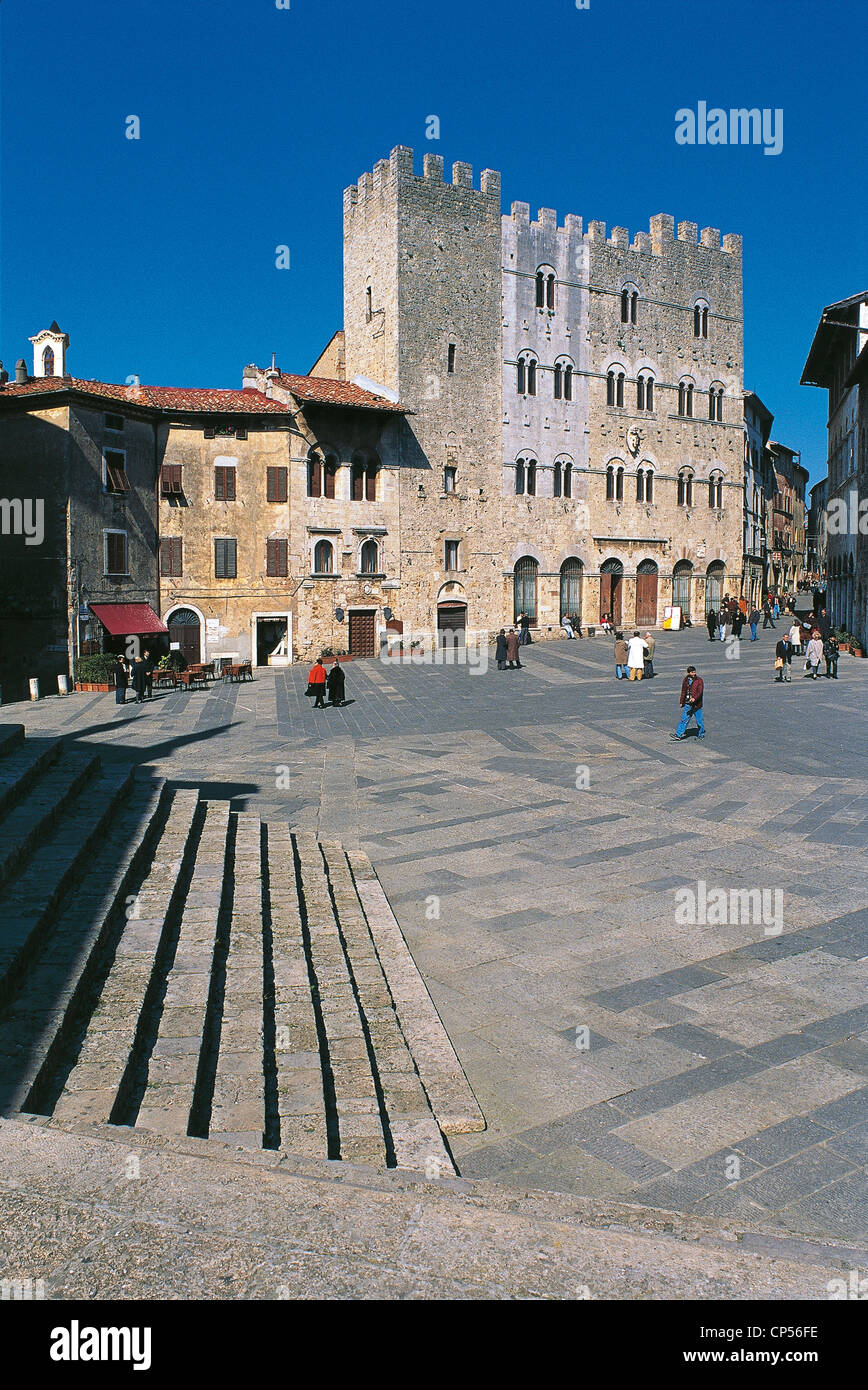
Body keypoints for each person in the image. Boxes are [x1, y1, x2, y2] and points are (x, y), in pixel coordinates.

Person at [672, 665, 705, 740]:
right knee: (684, 719)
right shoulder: (685, 680)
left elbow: (700, 691)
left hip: (697, 704)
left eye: (694, 672)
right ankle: (678, 734)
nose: (693, 674)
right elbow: (683, 691)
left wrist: (694, 698)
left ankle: (701, 734)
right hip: (688, 703)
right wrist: (681, 701)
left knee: (699, 721)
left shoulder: (699, 680)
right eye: (692, 672)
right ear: (688, 673)